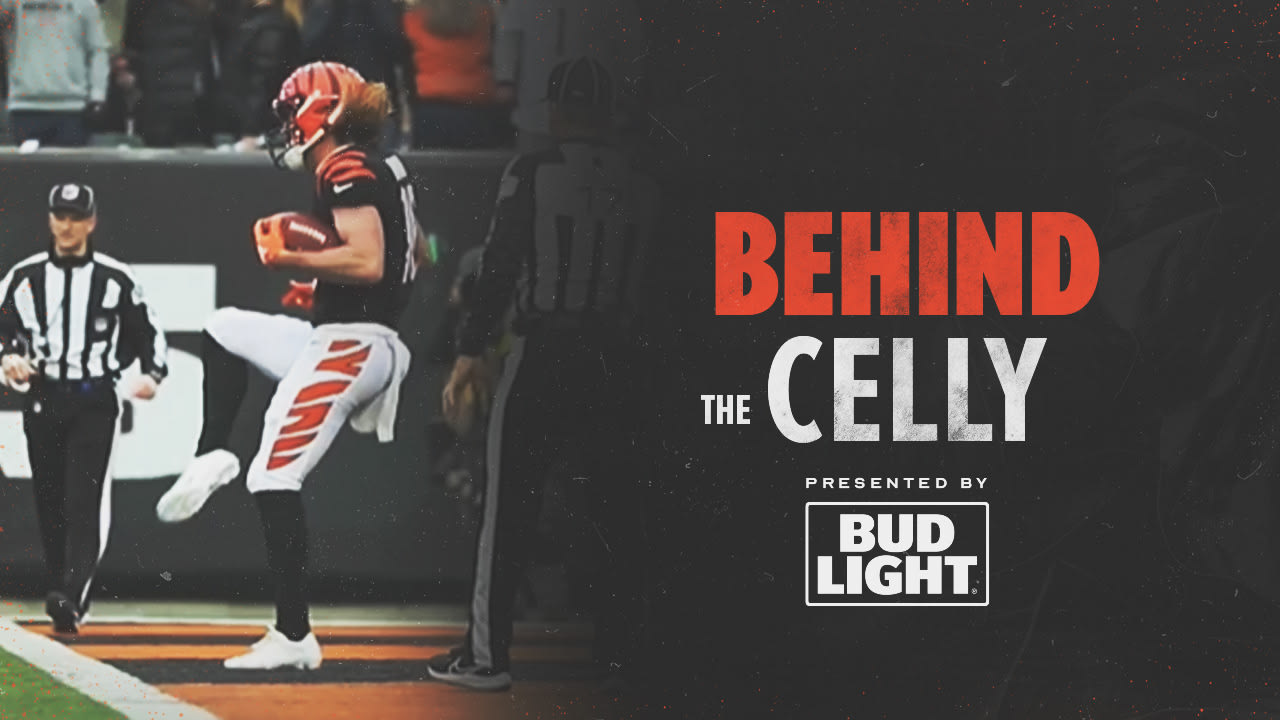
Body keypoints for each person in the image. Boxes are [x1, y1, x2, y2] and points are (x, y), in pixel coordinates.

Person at [154, 61, 422, 671]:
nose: (283, 127)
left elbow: (372, 261)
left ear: (318, 110)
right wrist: (319, 284)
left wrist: (300, 261)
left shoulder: (346, 166)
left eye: (287, 113)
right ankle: (212, 451)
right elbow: (412, 254)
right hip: (344, 328)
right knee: (222, 329)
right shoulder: (379, 164)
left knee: (273, 478)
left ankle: (294, 635)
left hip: (353, 344)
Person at [429, 56, 659, 690]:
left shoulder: (533, 171)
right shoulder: (645, 179)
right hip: (618, 355)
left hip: (548, 352)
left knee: (511, 510)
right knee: (617, 511)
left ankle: (487, 655)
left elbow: (500, 264)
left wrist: (471, 347)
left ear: (555, 111)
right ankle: (622, 655)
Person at [0, 183, 167, 633]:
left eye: (76, 216)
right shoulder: (24, 277)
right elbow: (4, 327)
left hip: (94, 397)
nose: (68, 225)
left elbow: (149, 331)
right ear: (50, 220)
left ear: (91, 222)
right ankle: (62, 592)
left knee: (83, 499)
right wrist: (8, 359)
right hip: (43, 395)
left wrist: (152, 374)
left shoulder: (115, 278)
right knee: (49, 499)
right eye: (61, 215)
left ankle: (73, 594)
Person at [0, 0, 109, 146]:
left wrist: (98, 95)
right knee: (28, 169)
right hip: (25, 106)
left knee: (70, 168)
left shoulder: (85, 4)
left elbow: (97, 50)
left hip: (73, 107)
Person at [402, 0, 507, 148]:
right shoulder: (485, 15)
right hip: (478, 106)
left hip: (431, 108)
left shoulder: (413, 18)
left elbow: (406, 62)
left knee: (430, 168)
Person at [219, 0, 299, 152]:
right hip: (254, 128)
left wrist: (250, 130)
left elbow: (262, 83)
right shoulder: (253, 22)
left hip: (256, 134)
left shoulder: (270, 28)